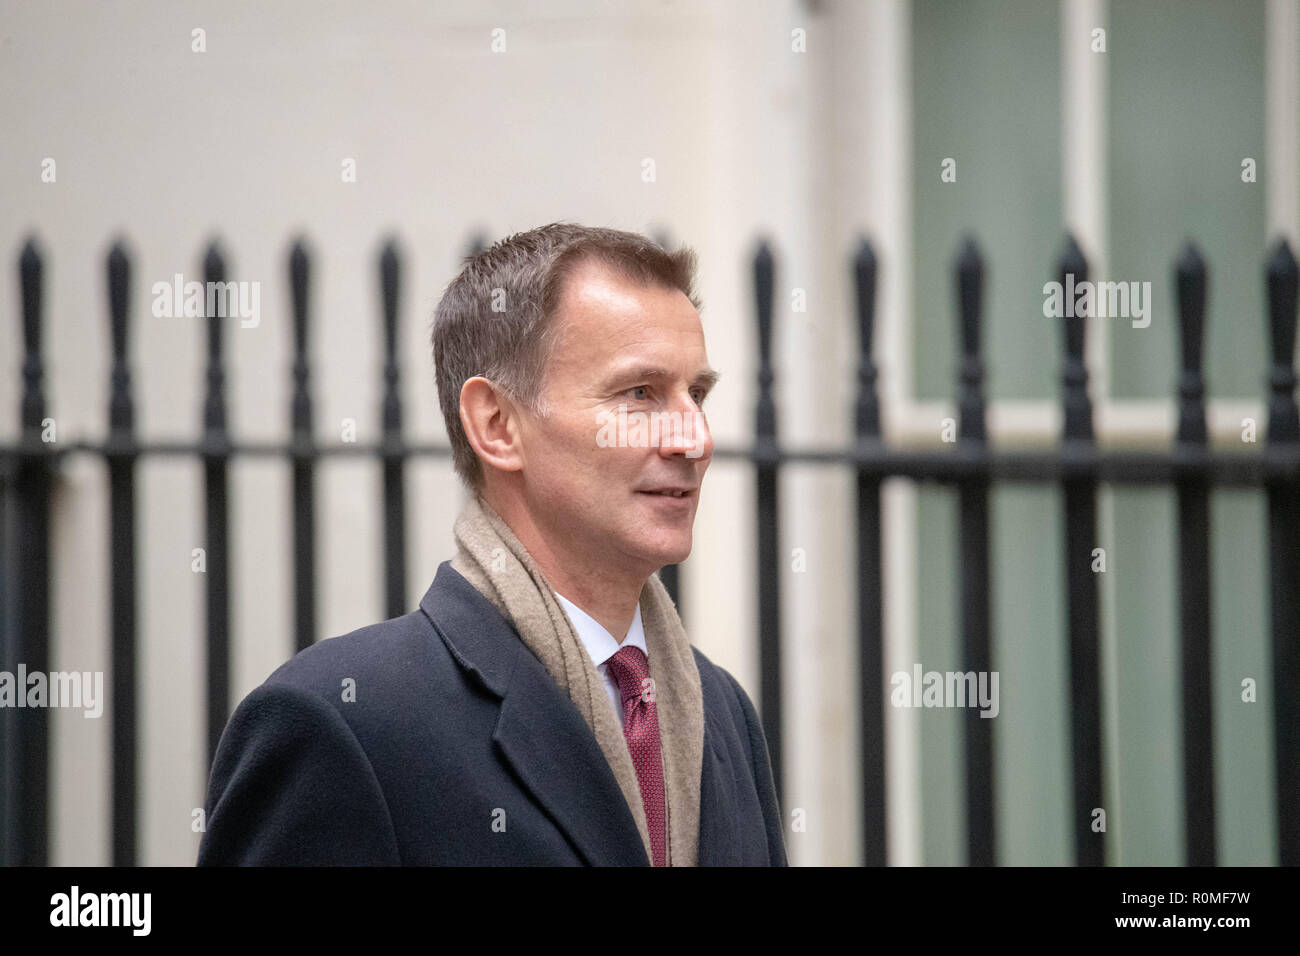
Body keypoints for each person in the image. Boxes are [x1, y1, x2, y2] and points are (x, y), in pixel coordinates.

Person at [197, 222, 787, 866]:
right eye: (639, 393)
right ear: (498, 425)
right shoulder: (342, 720)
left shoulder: (721, 712)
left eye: (696, 394)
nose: (694, 439)